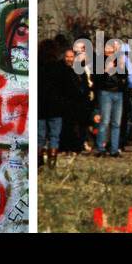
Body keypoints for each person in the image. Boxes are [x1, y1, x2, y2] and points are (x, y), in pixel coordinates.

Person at [40, 38, 78, 169]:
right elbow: (72, 88)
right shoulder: (61, 68)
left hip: (40, 108)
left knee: (39, 136)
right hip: (56, 107)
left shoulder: (37, 66)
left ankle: (38, 162)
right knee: (54, 136)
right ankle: (52, 164)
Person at [93, 41, 125, 157]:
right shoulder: (99, 61)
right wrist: (106, 71)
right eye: (108, 47)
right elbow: (96, 79)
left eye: (113, 48)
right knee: (104, 121)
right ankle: (100, 148)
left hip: (118, 93)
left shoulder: (119, 60)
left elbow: (124, 75)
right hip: (105, 92)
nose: (110, 50)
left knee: (116, 123)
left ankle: (114, 149)